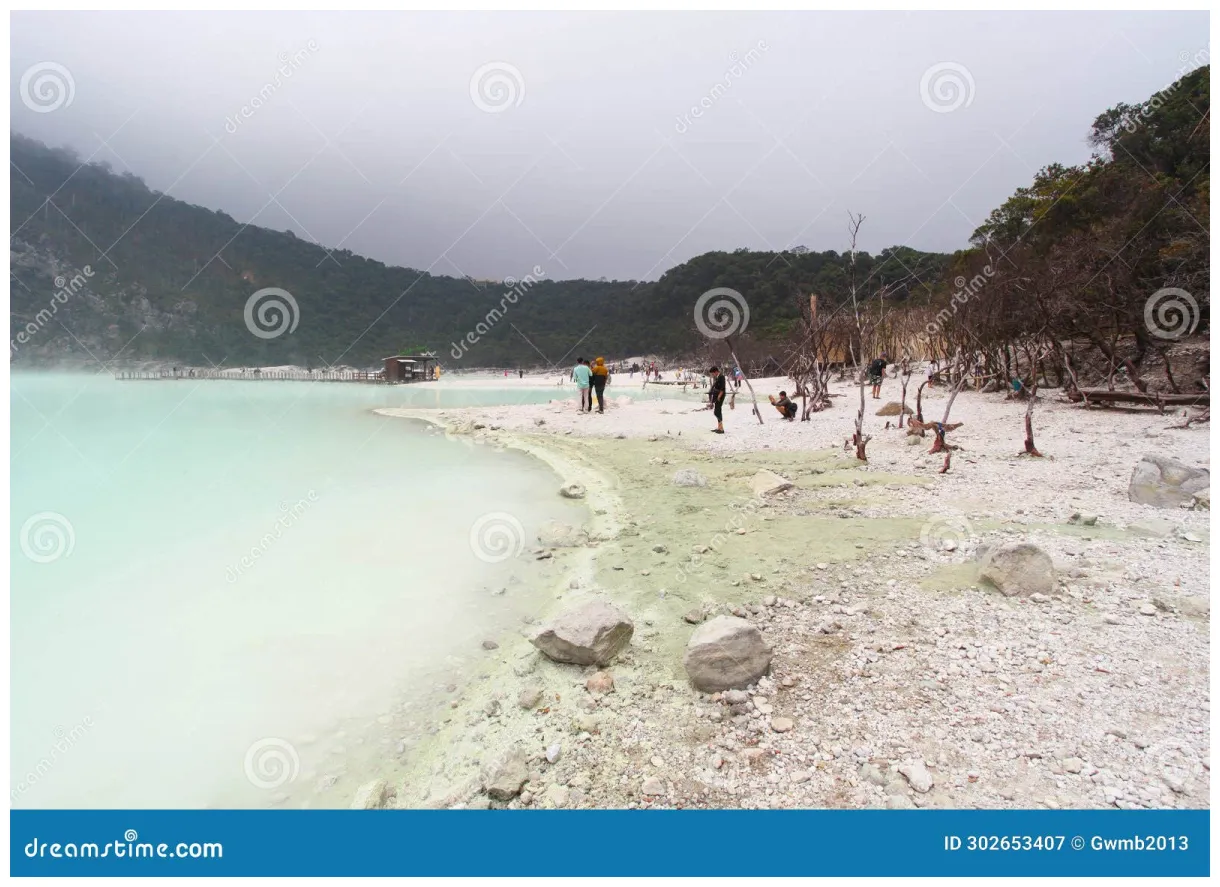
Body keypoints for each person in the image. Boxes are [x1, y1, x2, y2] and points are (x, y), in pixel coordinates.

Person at [708, 366, 726, 434]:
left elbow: (722, 388)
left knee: (717, 411)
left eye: (713, 373)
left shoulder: (721, 377)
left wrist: (719, 396)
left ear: (715, 372)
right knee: (717, 411)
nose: (712, 375)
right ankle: (719, 427)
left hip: (720, 396)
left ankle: (721, 429)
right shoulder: (717, 377)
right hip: (717, 396)